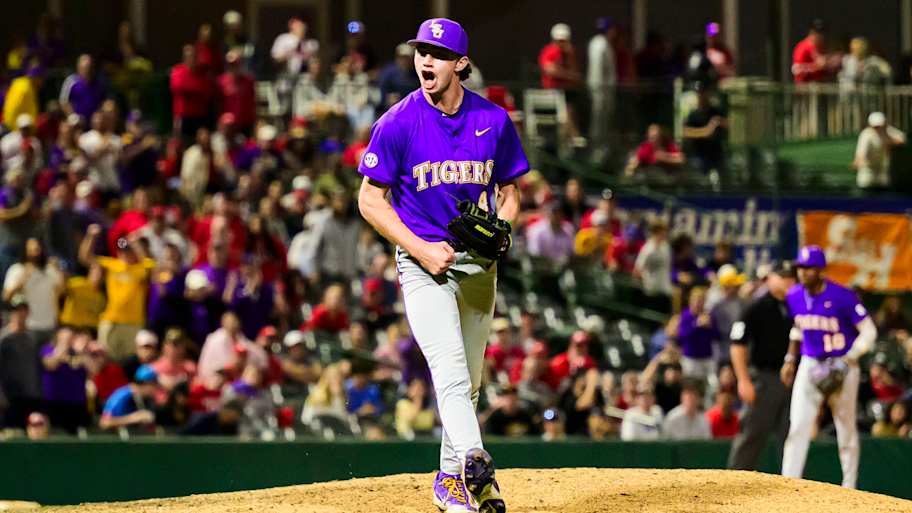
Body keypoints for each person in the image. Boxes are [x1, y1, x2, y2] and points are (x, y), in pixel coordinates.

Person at [356, 18, 528, 513]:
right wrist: (420, 248)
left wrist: (505, 224)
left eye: (436, 53)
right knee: (450, 372)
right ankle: (476, 462)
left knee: (469, 381)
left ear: (460, 64)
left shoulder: (493, 119)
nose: (425, 61)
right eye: (420, 52)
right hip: (423, 263)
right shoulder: (396, 121)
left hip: (478, 265)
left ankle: (450, 480)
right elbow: (370, 200)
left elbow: (510, 191)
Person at [781, 245, 878, 489]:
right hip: (810, 362)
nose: (802, 272)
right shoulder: (794, 295)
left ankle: (849, 486)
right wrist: (790, 359)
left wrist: (850, 357)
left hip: (842, 365)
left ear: (820, 270)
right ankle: (788, 484)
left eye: (808, 268)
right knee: (798, 426)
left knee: (845, 430)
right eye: (800, 267)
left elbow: (869, 331)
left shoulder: (842, 296)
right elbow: (798, 328)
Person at [727, 262, 797, 471]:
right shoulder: (755, 306)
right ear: (769, 278)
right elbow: (737, 344)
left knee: (792, 436)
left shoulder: (798, 306)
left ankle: (793, 487)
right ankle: (734, 480)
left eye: (790, 276)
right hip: (765, 379)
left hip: (794, 379)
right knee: (752, 434)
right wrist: (743, 380)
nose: (787, 280)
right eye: (782, 276)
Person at [79, 224, 155, 360]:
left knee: (130, 361)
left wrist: (137, 244)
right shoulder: (112, 265)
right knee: (104, 360)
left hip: (133, 323)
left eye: (128, 250)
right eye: (122, 250)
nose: (124, 254)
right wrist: (91, 236)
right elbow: (86, 257)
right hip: (111, 321)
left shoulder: (141, 269)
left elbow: (151, 266)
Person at [0, 297, 43, 428]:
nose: (19, 314)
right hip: (10, 397)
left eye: (23, 310)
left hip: (32, 396)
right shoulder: (3, 339)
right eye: (16, 310)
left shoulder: (33, 337)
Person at [587, 17, 617, 161]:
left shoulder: (601, 43)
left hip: (603, 90)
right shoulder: (600, 44)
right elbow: (598, 70)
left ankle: (602, 151)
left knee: (604, 123)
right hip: (601, 91)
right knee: (599, 123)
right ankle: (597, 153)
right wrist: (600, 90)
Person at [852, 111, 906, 191]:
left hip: (883, 172)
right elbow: (861, 153)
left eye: (880, 126)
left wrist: (889, 142)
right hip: (868, 172)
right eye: (875, 126)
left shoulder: (888, 131)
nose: (878, 128)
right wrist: (859, 161)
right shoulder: (866, 135)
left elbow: (902, 139)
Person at [99, 364, 159, 430]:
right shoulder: (122, 395)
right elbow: (104, 422)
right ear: (145, 383)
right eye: (154, 383)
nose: (156, 387)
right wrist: (134, 418)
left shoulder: (147, 398)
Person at [59, 54, 108, 122]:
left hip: (95, 122)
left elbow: (103, 101)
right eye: (85, 68)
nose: (87, 71)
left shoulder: (99, 83)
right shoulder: (71, 81)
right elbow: (63, 101)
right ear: (78, 68)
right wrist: (72, 116)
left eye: (90, 68)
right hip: (76, 122)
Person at [791, 19, 833, 84]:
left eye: (821, 33)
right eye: (817, 33)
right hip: (805, 88)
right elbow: (796, 69)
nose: (820, 36)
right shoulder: (802, 47)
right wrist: (816, 66)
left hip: (821, 86)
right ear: (811, 32)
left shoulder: (822, 47)